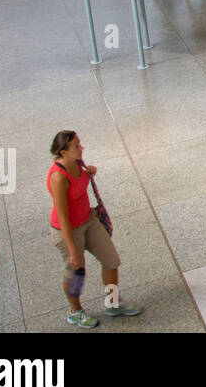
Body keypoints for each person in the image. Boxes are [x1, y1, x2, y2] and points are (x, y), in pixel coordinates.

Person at [48, 130, 144, 329]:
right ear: (63, 152)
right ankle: (76, 312)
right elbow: (63, 218)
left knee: (111, 260)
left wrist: (89, 172)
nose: (81, 148)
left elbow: (81, 183)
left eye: (80, 143)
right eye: (76, 146)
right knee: (76, 273)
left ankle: (113, 303)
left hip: (88, 221)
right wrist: (73, 250)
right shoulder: (58, 177)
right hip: (68, 230)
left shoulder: (78, 163)